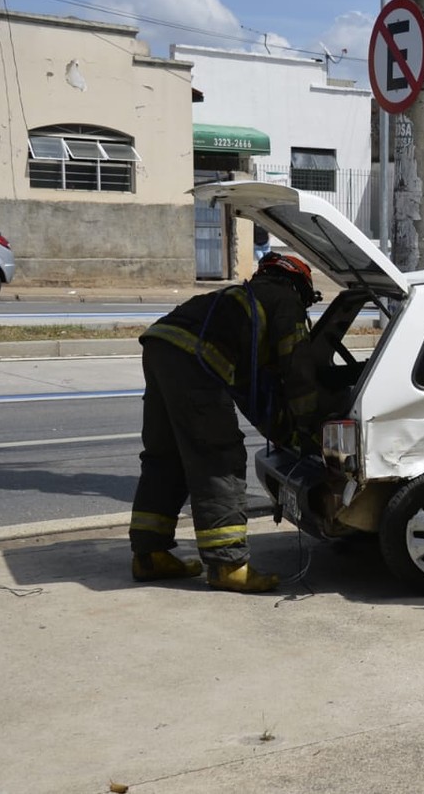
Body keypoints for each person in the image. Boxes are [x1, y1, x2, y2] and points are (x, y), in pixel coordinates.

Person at [128, 252, 323, 593]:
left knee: (166, 457)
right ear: (299, 286)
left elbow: (249, 393)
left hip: (160, 345)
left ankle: (150, 555)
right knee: (218, 458)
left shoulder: (243, 300)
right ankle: (227, 564)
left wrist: (281, 430)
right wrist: (309, 428)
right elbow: (299, 375)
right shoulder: (285, 301)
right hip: (193, 360)